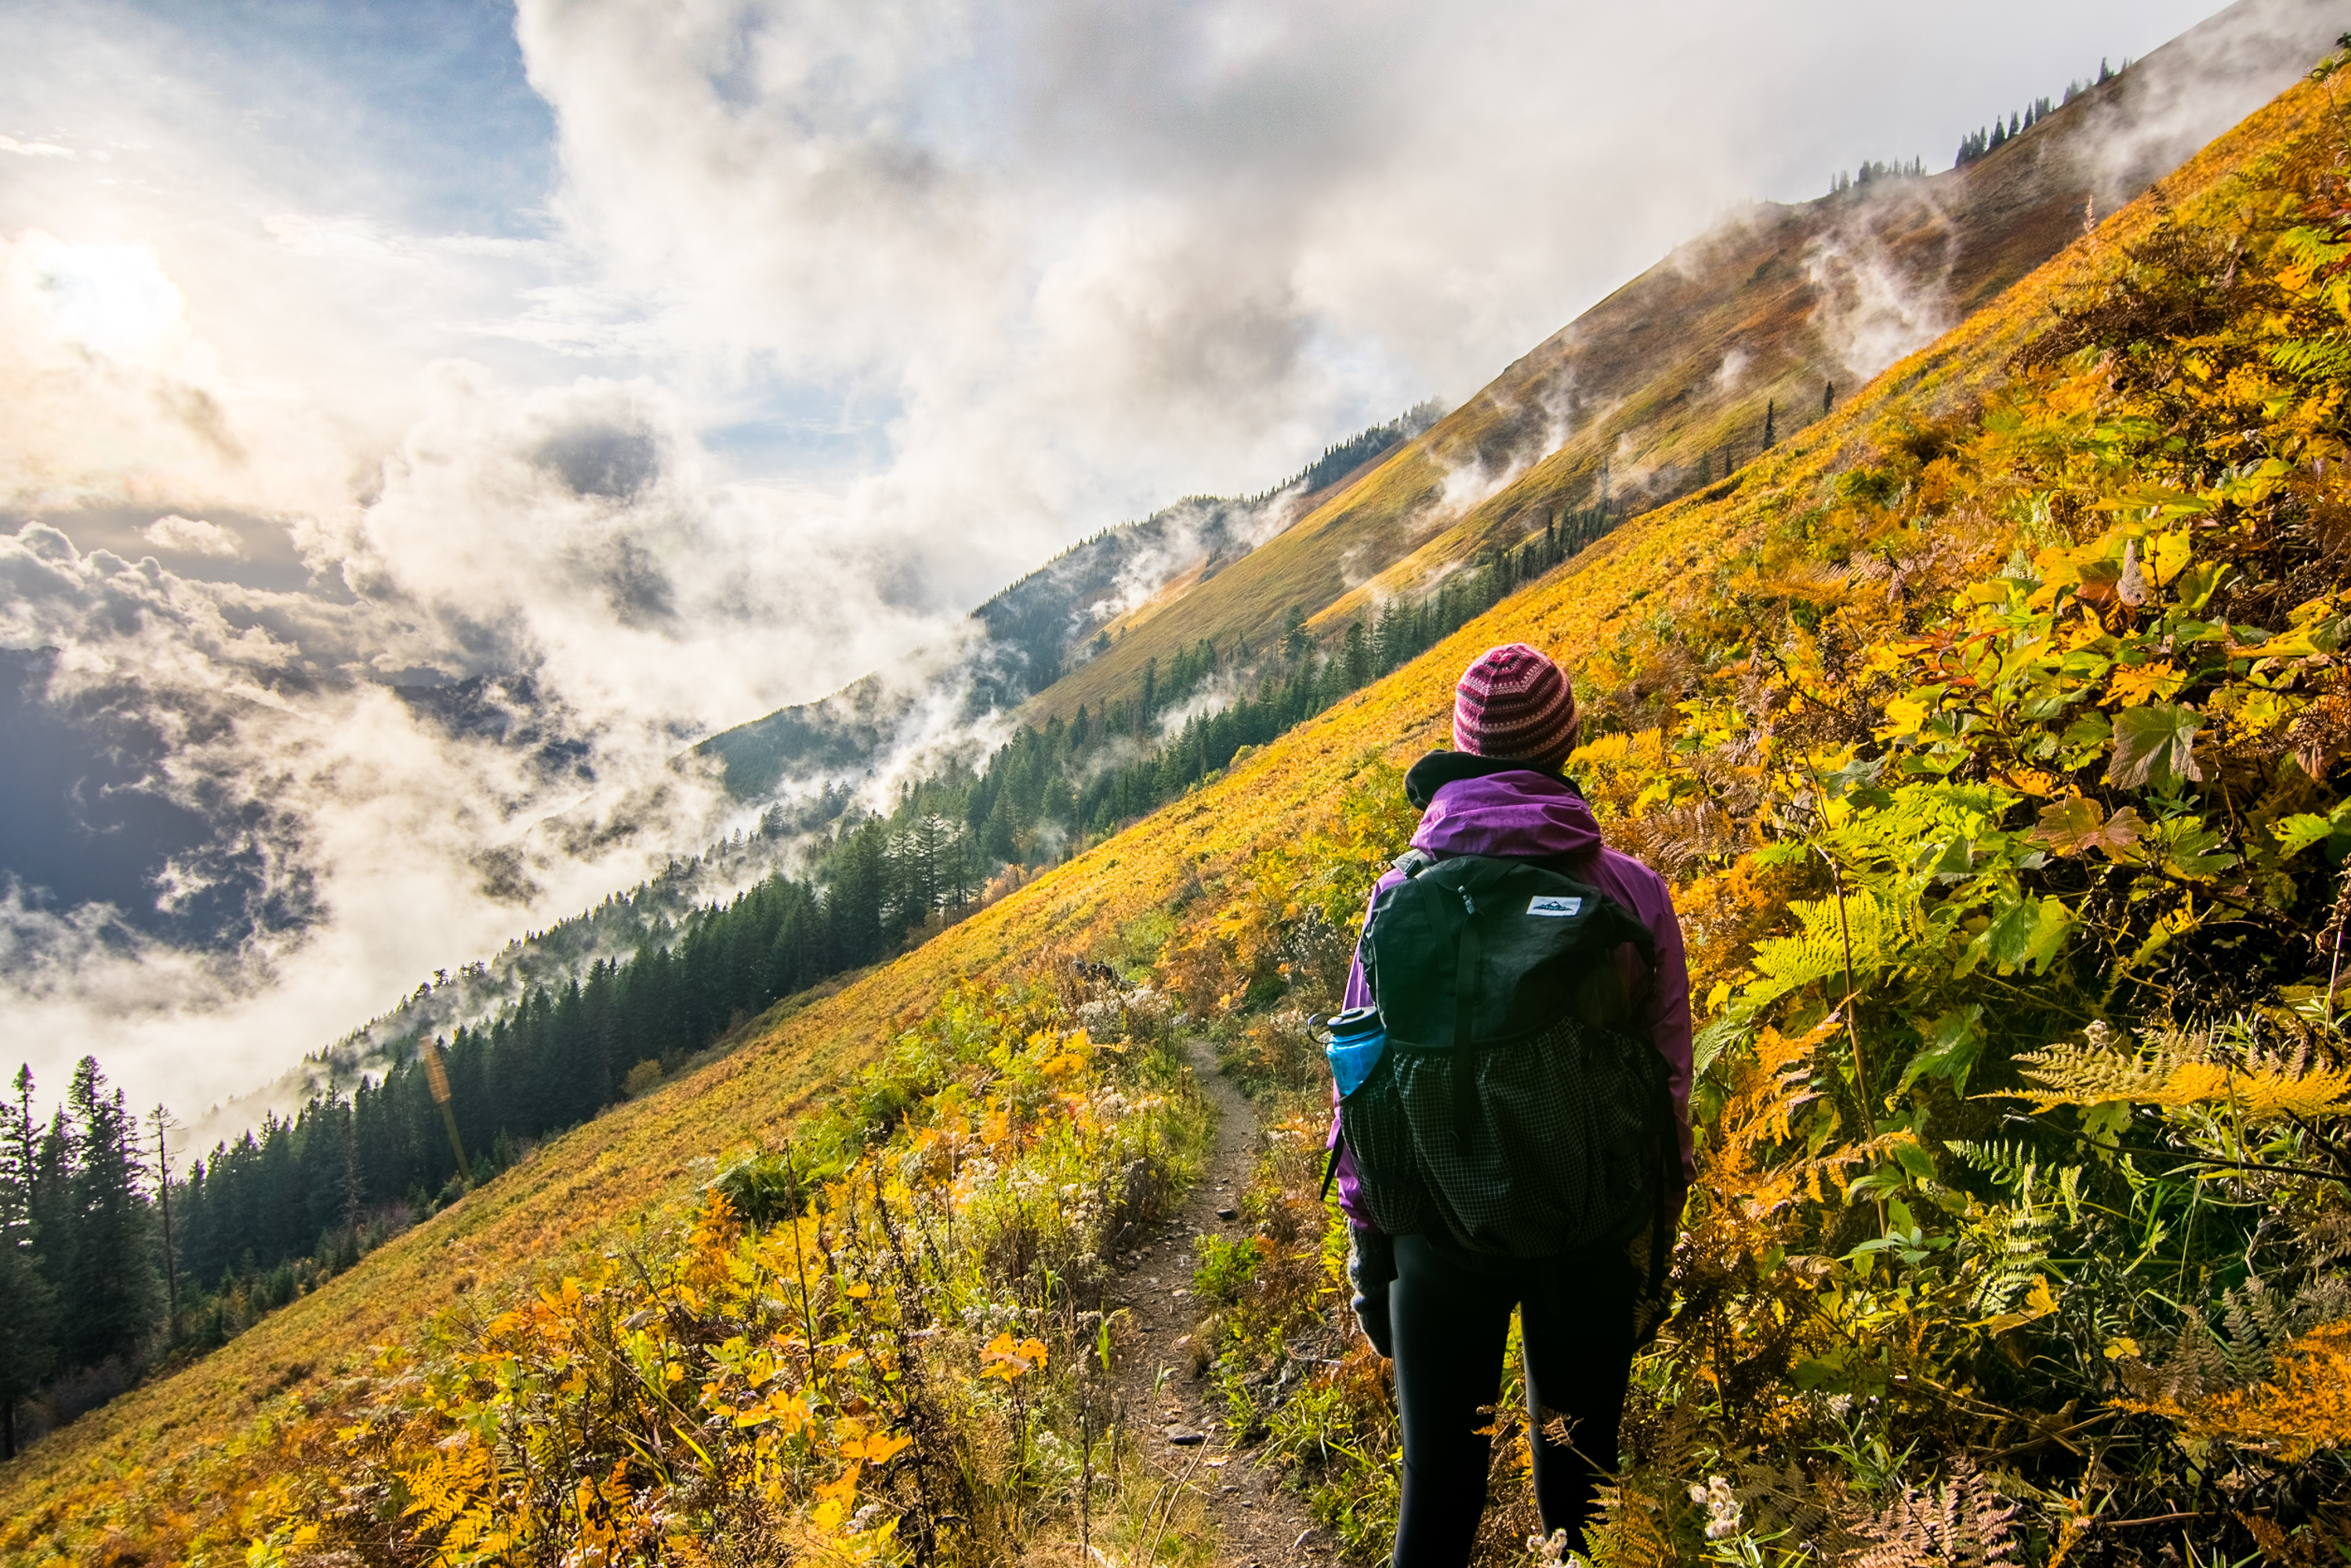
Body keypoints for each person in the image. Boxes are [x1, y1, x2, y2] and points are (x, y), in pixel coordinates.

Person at [1326, 641, 1693, 1567]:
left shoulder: (1398, 892)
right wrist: (1651, 1241)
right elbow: (1666, 1087)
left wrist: (1370, 1243)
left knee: (1438, 1493)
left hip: (1435, 1236)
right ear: (1566, 743)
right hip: (1589, 1230)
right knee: (1581, 1503)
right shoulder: (1628, 890)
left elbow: (1358, 1076)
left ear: (1461, 746)